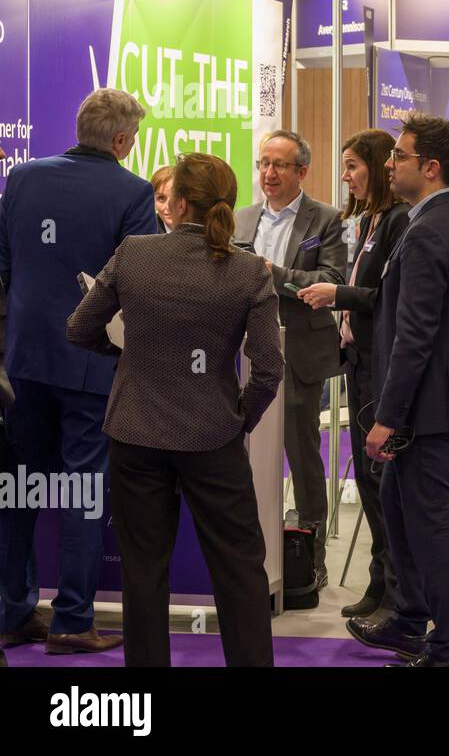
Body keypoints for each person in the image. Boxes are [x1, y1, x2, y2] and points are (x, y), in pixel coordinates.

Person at [66, 153, 283, 667]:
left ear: (178, 202)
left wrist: (126, 357)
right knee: (239, 569)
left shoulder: (135, 253)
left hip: (135, 433)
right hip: (213, 437)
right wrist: (236, 419)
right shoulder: (250, 271)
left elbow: (80, 328)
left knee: (142, 571)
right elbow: (269, 371)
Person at [0, 88, 155, 656]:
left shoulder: (22, 179)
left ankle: (12, 614)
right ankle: (70, 621)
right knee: (83, 493)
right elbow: (140, 283)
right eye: (133, 139)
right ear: (119, 140)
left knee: (17, 489)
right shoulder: (134, 192)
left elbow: (4, 267)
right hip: (89, 367)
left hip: (22, 365)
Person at [359, 115, 449, 669]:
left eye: (400, 155)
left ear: (431, 167)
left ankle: (448, 648)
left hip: (426, 405)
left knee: (430, 521)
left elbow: (414, 336)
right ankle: (411, 620)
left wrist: (388, 417)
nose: (390, 164)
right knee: (397, 505)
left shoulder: (428, 230)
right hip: (447, 396)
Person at [296, 129, 409, 619]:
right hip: (358, 363)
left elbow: (391, 297)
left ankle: (396, 592)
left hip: (381, 366)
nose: (345, 177)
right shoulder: (367, 221)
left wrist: (335, 295)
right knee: (367, 479)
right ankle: (381, 584)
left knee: (384, 483)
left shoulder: (401, 221)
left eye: (352, 166)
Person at [234, 130, 346, 587]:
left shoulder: (326, 219)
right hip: (243, 353)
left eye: (279, 165)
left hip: (299, 350)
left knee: (301, 457)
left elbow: (333, 278)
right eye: (263, 163)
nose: (269, 173)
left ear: (302, 171)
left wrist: (274, 274)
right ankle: (250, 556)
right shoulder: (241, 219)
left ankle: (308, 560)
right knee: (244, 455)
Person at [151, 166, 174, 233]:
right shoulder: (145, 230)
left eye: (175, 198)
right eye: (161, 198)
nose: (168, 207)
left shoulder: (201, 229)